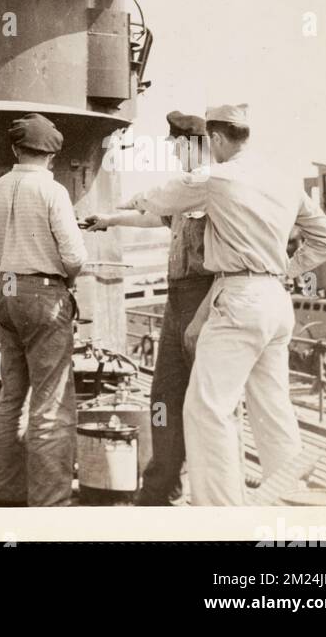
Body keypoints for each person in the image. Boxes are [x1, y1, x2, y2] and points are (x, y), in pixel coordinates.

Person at [126, 103, 326, 505]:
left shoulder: (216, 178)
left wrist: (132, 201)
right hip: (277, 303)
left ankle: (221, 513)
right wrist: (288, 270)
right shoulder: (282, 180)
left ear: (219, 139)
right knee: (272, 407)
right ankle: (291, 498)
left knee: (207, 408)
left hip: (239, 299)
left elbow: (160, 199)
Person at [0, 113, 85, 506]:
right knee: (51, 401)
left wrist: (5, 258)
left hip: (7, 289)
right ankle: (50, 502)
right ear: (51, 156)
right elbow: (75, 256)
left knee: (12, 396)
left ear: (15, 149)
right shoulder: (53, 192)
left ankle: (9, 491)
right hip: (43, 293)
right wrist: (68, 276)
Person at [89, 111, 213, 504]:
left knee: (207, 398)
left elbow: (157, 202)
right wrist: (107, 219)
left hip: (205, 299)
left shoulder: (212, 185)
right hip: (177, 299)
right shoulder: (182, 193)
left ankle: (207, 488)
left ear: (191, 144)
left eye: (176, 146)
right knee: (163, 397)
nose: (174, 154)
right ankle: (163, 483)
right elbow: (155, 217)